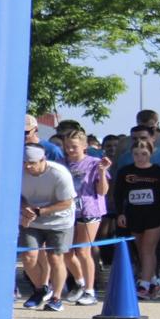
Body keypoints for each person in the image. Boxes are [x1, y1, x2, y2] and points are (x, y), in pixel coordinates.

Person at [112, 138, 160, 300]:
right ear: (131, 154)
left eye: (144, 154)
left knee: (148, 248)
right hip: (134, 215)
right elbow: (118, 194)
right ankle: (154, 280)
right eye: (136, 154)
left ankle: (143, 285)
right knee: (141, 249)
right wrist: (120, 213)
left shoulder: (159, 171)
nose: (140, 157)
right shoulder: (125, 172)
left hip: (156, 215)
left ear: (151, 154)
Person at [19, 145, 76, 312]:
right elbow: (17, 194)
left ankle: (56, 298)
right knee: (28, 257)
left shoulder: (59, 174)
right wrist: (25, 207)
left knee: (55, 258)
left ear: (43, 160)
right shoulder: (19, 172)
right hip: (32, 220)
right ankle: (40, 289)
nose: (27, 166)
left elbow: (67, 202)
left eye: (32, 163)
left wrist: (40, 211)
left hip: (59, 221)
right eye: (24, 162)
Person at [60, 129, 110, 307]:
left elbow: (103, 191)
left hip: (89, 210)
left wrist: (102, 172)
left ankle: (90, 290)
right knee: (65, 251)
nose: (70, 150)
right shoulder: (62, 164)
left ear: (84, 146)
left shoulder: (94, 163)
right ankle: (80, 281)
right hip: (67, 211)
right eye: (67, 146)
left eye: (73, 146)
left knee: (83, 251)